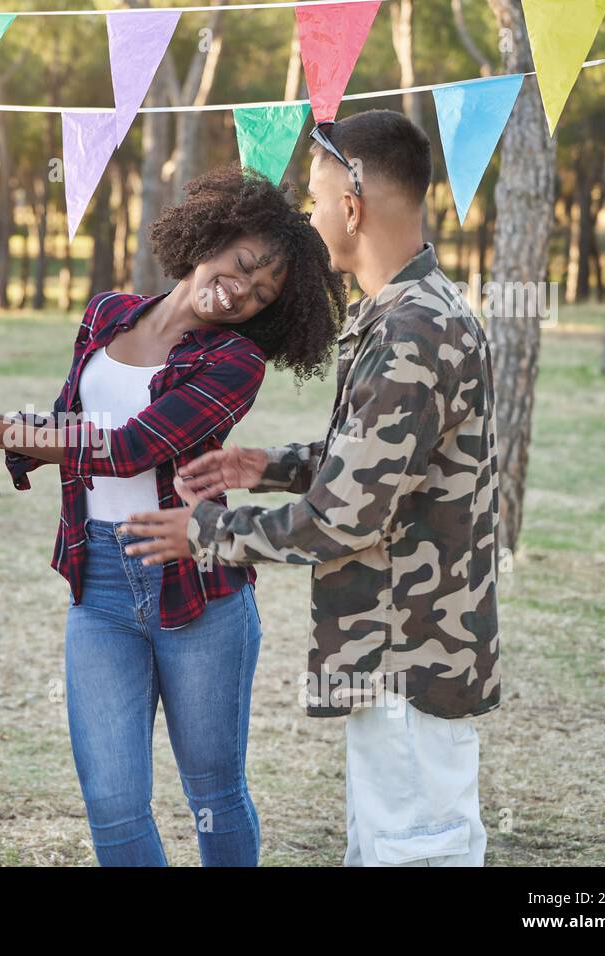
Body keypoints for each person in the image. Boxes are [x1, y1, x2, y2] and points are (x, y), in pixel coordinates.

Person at [0, 165, 347, 866]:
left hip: (197, 587)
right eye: (244, 264)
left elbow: (134, 447)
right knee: (111, 802)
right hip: (100, 584)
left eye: (262, 293)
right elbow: (69, 426)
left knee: (213, 792)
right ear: (216, 235)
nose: (242, 290)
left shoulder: (234, 362)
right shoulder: (107, 313)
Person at [121, 110, 500, 867]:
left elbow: (346, 517)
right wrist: (272, 464)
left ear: (352, 207)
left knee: (414, 850)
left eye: (318, 201)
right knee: (392, 843)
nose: (312, 218)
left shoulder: (411, 332)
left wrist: (206, 536)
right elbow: (387, 461)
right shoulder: (413, 311)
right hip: (406, 643)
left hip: (410, 648)